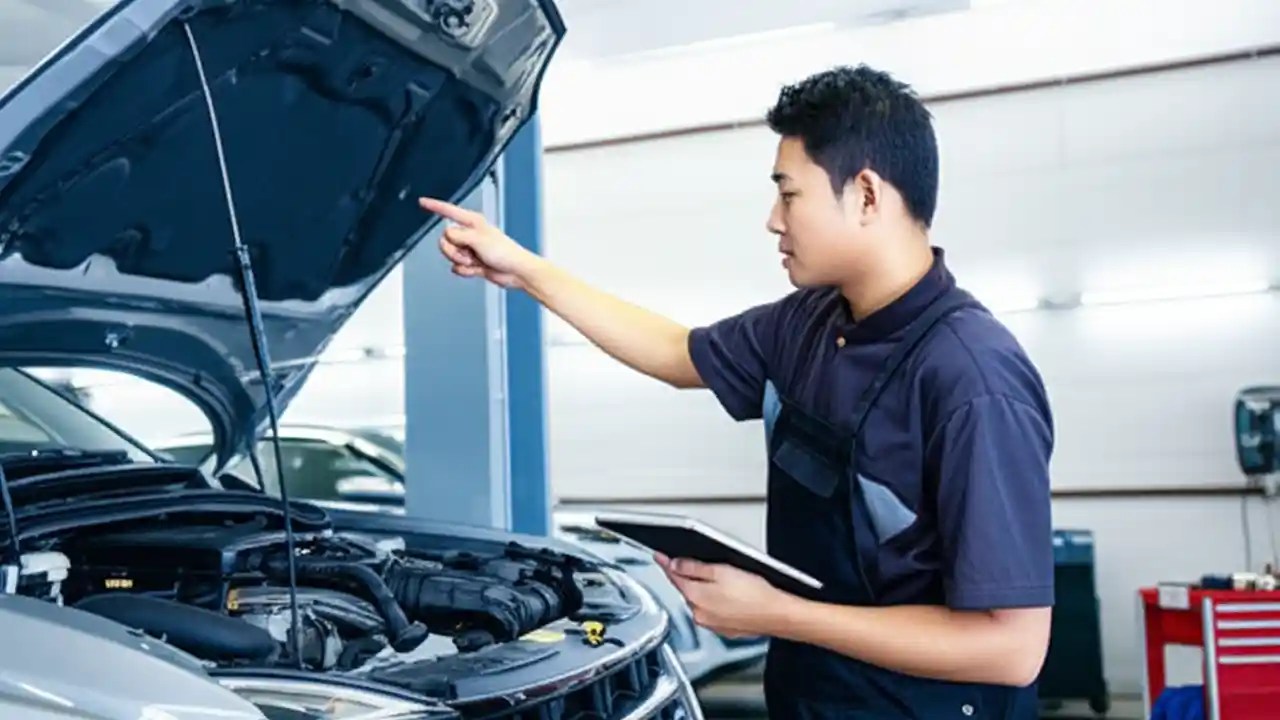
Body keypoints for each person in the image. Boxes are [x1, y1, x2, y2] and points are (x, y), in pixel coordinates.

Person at [419, 64, 1054, 719]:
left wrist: (778, 613)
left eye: (790, 194)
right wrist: (525, 272)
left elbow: (1011, 648)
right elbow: (674, 351)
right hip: (814, 699)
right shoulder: (807, 321)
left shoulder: (973, 379)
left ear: (866, 195)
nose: (773, 221)